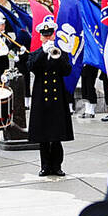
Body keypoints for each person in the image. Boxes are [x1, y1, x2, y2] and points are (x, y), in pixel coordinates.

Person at [24, 18, 72, 177]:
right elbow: (31, 67)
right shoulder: (35, 53)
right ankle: (45, 166)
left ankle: (57, 166)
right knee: (43, 135)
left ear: (53, 35)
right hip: (41, 97)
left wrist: (57, 56)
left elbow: (67, 71)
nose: (47, 37)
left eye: (49, 35)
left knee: (57, 135)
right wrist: (43, 52)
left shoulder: (61, 52)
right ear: (40, 37)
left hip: (57, 97)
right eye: (44, 35)